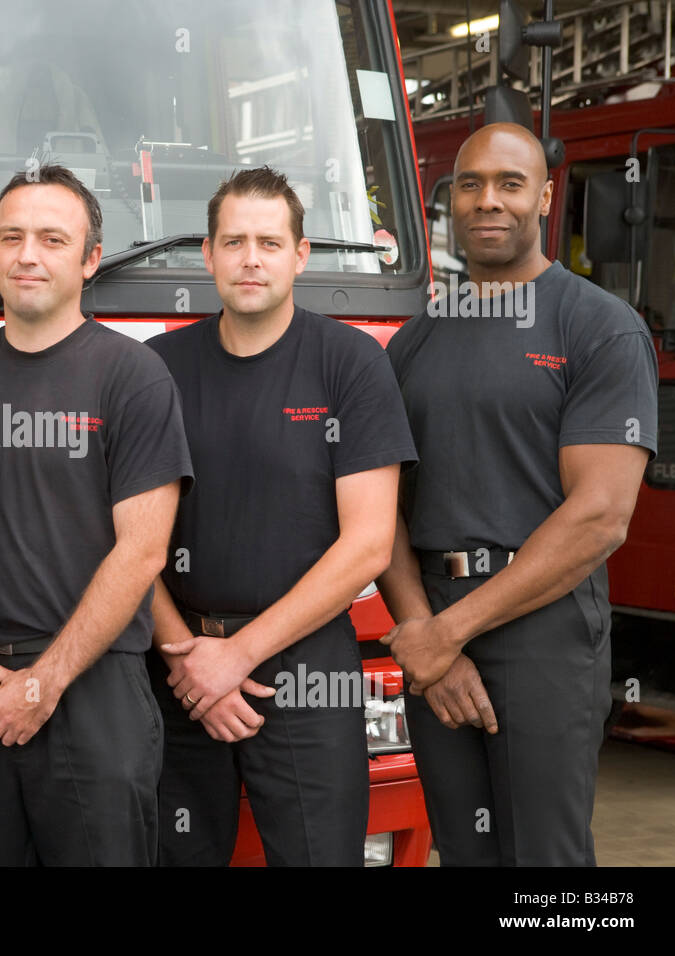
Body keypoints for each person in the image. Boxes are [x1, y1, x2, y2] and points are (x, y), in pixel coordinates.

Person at [378, 122, 658, 866]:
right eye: (470, 185)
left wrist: (447, 634)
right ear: (450, 203)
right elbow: (383, 515)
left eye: (509, 184)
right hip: (434, 618)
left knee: (544, 859)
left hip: (543, 630)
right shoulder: (415, 342)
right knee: (466, 854)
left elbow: (600, 516)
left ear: (544, 195)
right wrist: (424, 632)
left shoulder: (599, 329)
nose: (487, 201)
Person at [145, 167, 417, 866]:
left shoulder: (350, 365)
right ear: (206, 255)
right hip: (173, 670)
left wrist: (236, 656)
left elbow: (367, 545)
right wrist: (186, 662)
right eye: (233, 242)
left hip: (305, 673)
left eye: (269, 242)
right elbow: (123, 540)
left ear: (300, 255)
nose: (250, 259)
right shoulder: (155, 370)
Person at [0, 164, 193, 866]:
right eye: (10, 237)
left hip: (94, 697)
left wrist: (45, 681)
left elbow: (141, 552)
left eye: (51, 238)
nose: (27, 255)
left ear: (90, 259)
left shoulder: (132, 377)